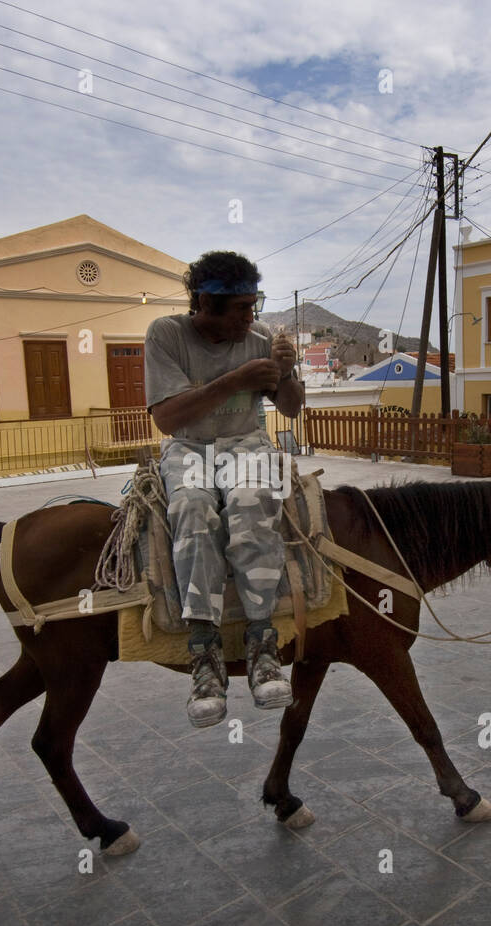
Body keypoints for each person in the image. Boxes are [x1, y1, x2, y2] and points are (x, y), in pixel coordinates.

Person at [144, 251, 305, 728]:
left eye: (253, 306)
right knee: (192, 507)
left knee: (251, 501)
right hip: (189, 446)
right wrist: (236, 379)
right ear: (205, 304)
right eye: (240, 308)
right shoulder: (166, 334)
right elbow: (168, 418)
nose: (249, 318)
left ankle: (262, 646)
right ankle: (204, 655)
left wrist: (288, 372)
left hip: (247, 444)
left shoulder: (258, 342)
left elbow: (291, 409)